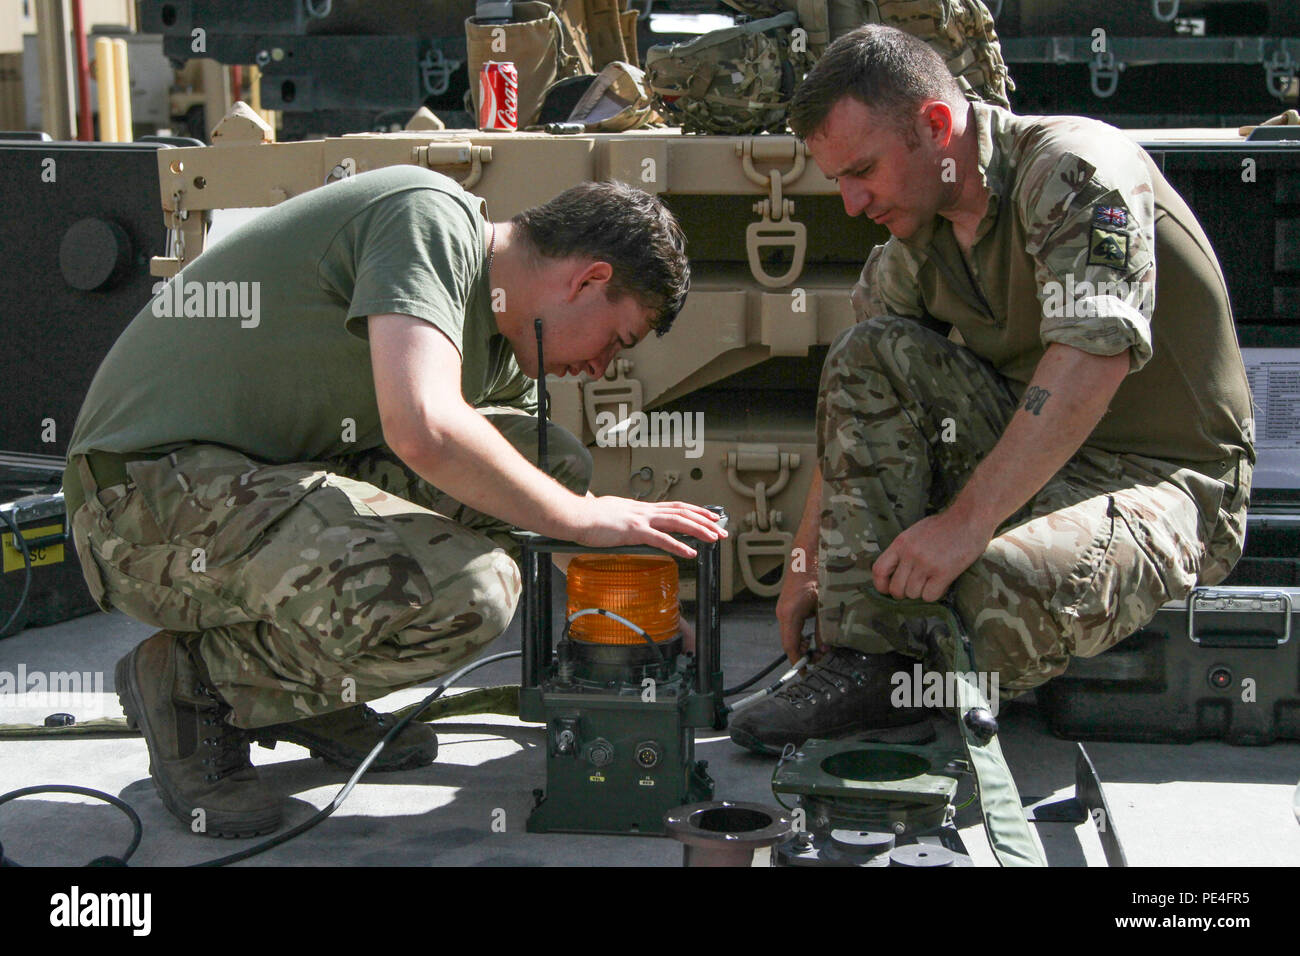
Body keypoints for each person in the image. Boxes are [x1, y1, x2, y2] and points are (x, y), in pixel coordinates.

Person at [63, 165, 724, 835]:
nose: (601, 368)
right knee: (472, 593)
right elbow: (423, 428)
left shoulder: (500, 350)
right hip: (137, 499)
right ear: (589, 280)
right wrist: (587, 517)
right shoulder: (428, 217)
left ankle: (299, 692)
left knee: (546, 463)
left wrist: (648, 629)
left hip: (243, 485)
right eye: (618, 340)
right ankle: (193, 683)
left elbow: (535, 510)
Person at [729, 25, 1255, 755]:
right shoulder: (922, 233)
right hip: (1037, 462)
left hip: (1167, 480)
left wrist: (966, 524)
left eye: (863, 171)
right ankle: (864, 663)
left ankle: (907, 671)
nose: (852, 202)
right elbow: (852, 400)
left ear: (935, 124)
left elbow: (1090, 356)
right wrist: (806, 560)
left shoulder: (1073, 171)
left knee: (990, 590)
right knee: (866, 351)